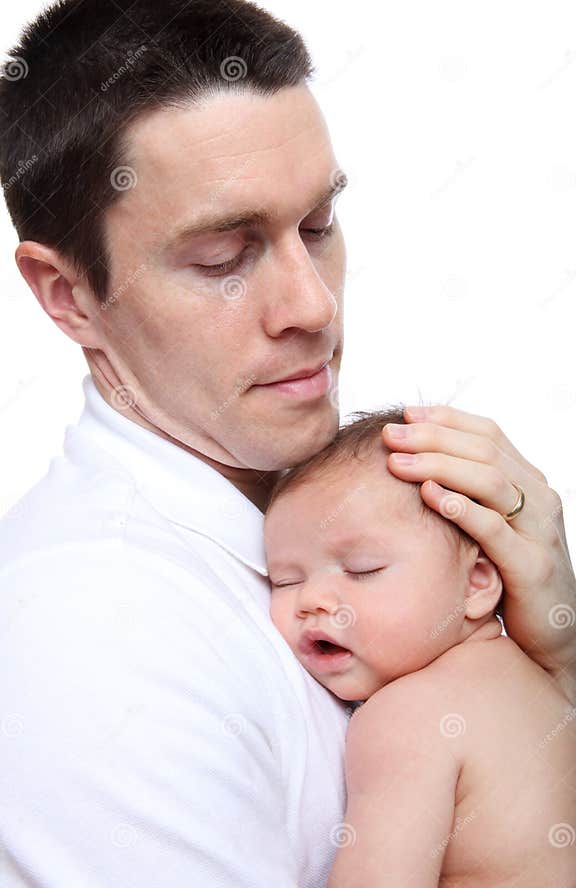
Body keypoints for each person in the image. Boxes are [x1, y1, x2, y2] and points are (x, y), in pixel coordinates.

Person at [0, 1, 573, 885]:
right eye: (225, 256)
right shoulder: (91, 636)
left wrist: (557, 662)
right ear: (69, 296)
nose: (314, 307)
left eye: (316, 228)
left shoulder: (372, 504)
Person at [265, 407, 576, 886]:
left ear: (475, 584)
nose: (313, 600)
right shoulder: (543, 681)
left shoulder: (406, 716)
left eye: (362, 568)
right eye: (285, 579)